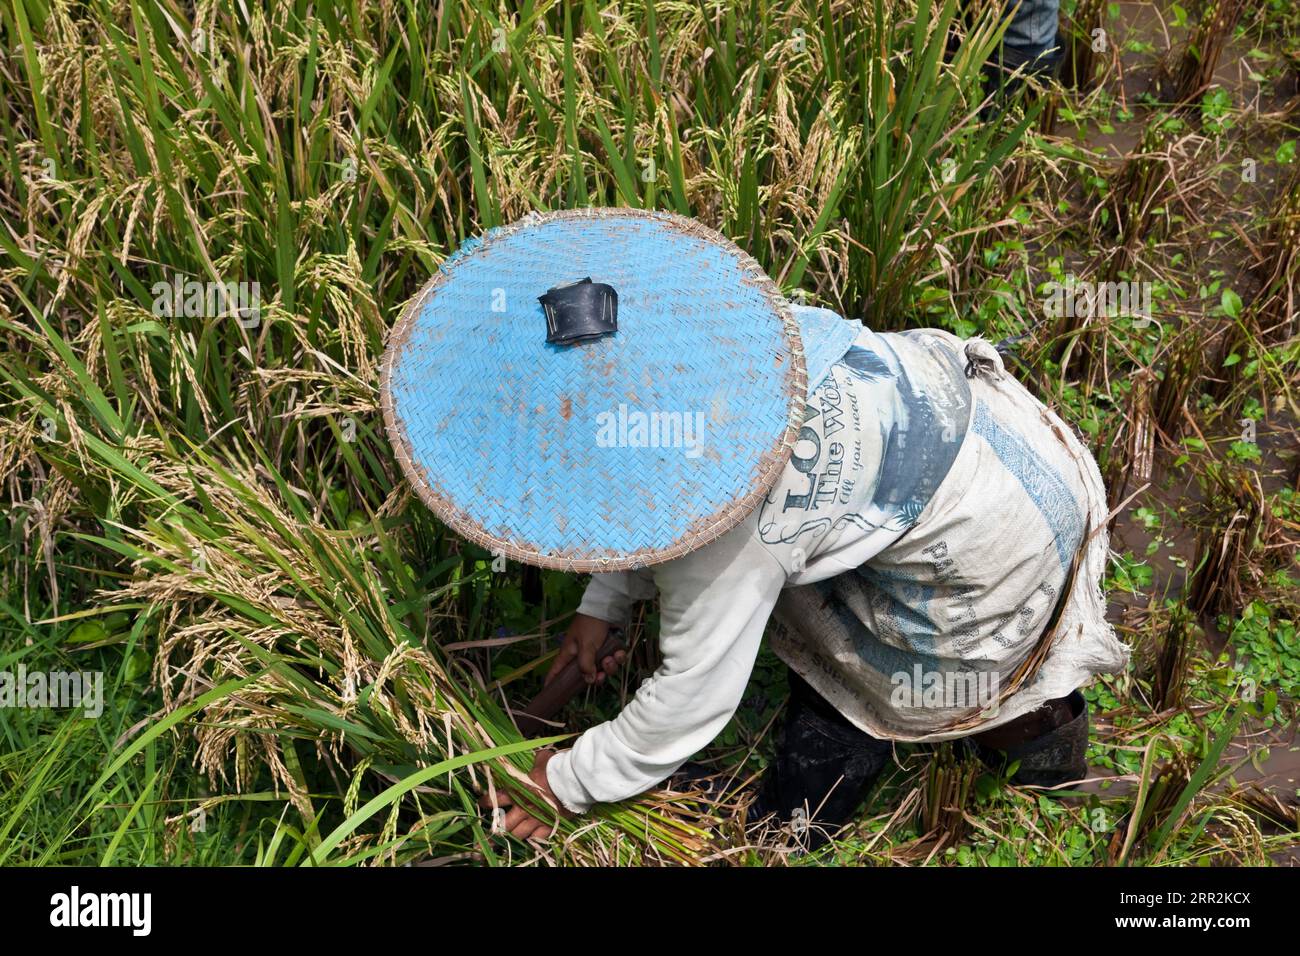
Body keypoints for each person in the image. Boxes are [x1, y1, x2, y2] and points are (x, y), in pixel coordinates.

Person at [380, 209, 1129, 847]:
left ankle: (1008, 770)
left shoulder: (730, 533)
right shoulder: (723, 338)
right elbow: (630, 492)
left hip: (993, 543)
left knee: (863, 710)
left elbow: (691, 699)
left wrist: (566, 781)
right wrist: (600, 609)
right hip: (978, 428)